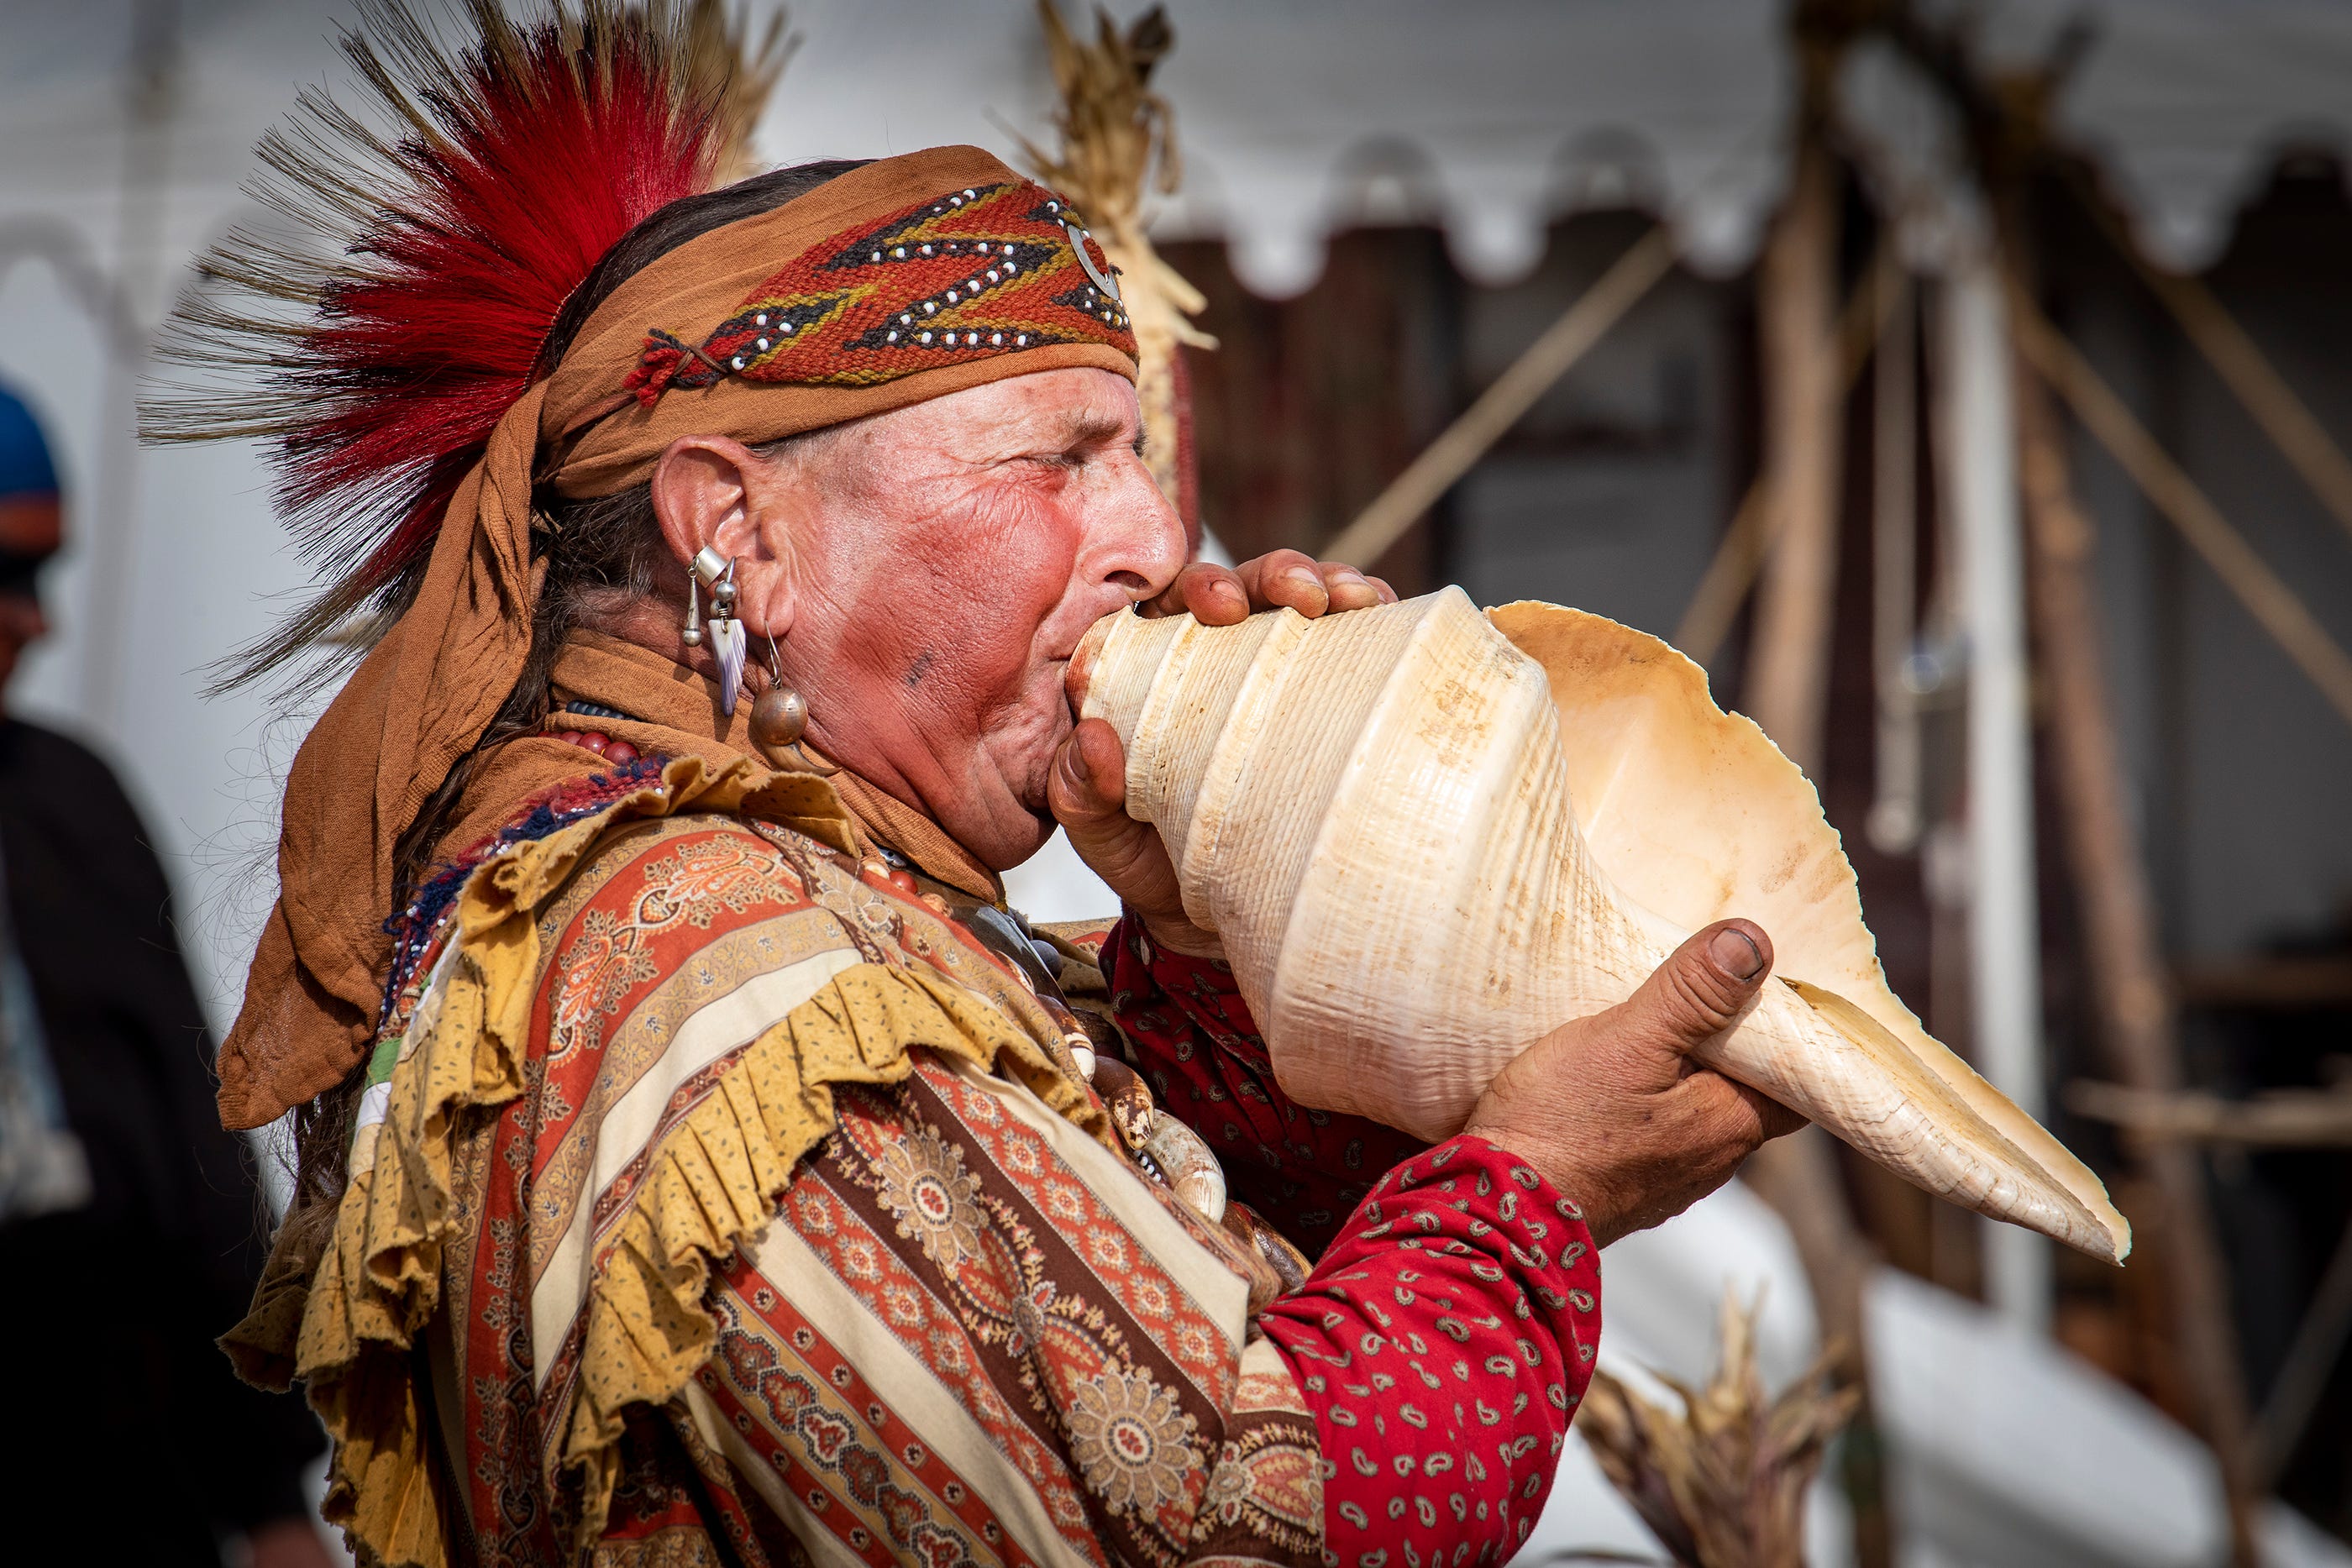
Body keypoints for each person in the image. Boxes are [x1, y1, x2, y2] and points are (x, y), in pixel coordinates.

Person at [172, 8, 1800, 1566]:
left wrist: (1223, 925)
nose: (1156, 542)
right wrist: (1533, 1193)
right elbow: (1227, 1524)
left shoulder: (763, 905)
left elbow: (1118, 1295)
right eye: (1062, 458)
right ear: (738, 533)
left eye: (1135, 459)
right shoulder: (711, 961)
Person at [0, 385, 332, 1564]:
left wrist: (275, 1497)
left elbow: (201, 1165)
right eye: (5, 574)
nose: (35, 621)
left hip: (121, 1474)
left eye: (42, 575)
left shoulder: (69, 805)